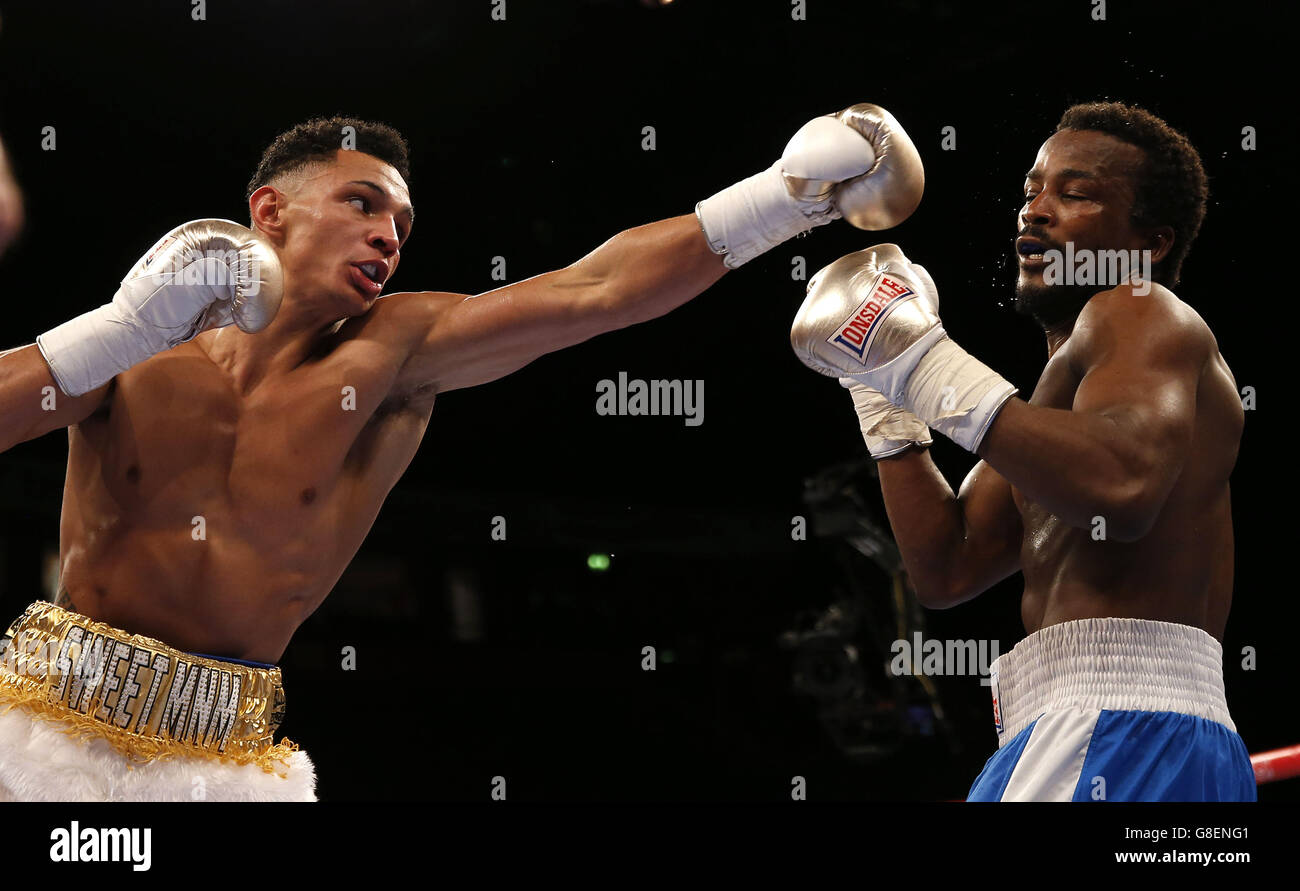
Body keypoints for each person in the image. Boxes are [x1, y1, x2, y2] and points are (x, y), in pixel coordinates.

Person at [0, 106, 923, 801]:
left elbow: (595, 290)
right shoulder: (146, 339)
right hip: (41, 726)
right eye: (362, 204)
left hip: (221, 760)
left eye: (401, 228)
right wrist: (118, 331)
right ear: (269, 209)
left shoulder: (394, 353)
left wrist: (782, 198)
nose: (387, 237)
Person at [790, 101, 1254, 801]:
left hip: (1116, 727)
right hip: (1107, 729)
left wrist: (919, 361)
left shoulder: (1144, 308)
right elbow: (947, 567)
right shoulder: (1051, 414)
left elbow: (1121, 487)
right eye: (1032, 190)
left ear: (1151, 244)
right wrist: (881, 392)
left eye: (1077, 193)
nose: (1035, 211)